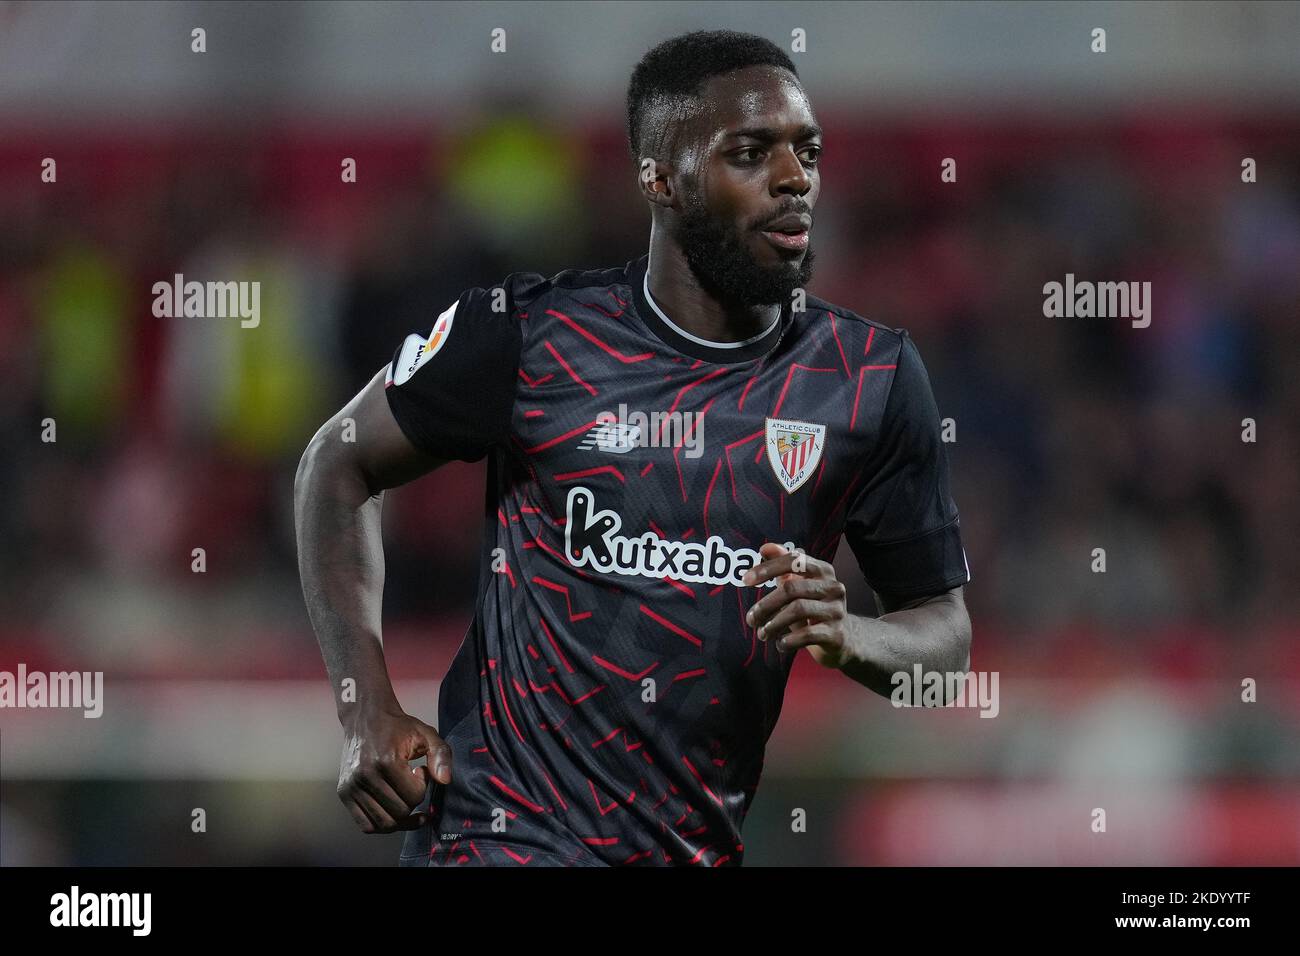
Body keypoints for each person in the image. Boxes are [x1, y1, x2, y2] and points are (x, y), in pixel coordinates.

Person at [295, 29, 971, 867]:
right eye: (752, 153)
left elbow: (944, 651)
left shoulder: (867, 380)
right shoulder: (527, 334)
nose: (795, 179)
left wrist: (852, 637)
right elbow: (337, 462)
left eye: (809, 150)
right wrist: (366, 708)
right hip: (495, 841)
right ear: (660, 178)